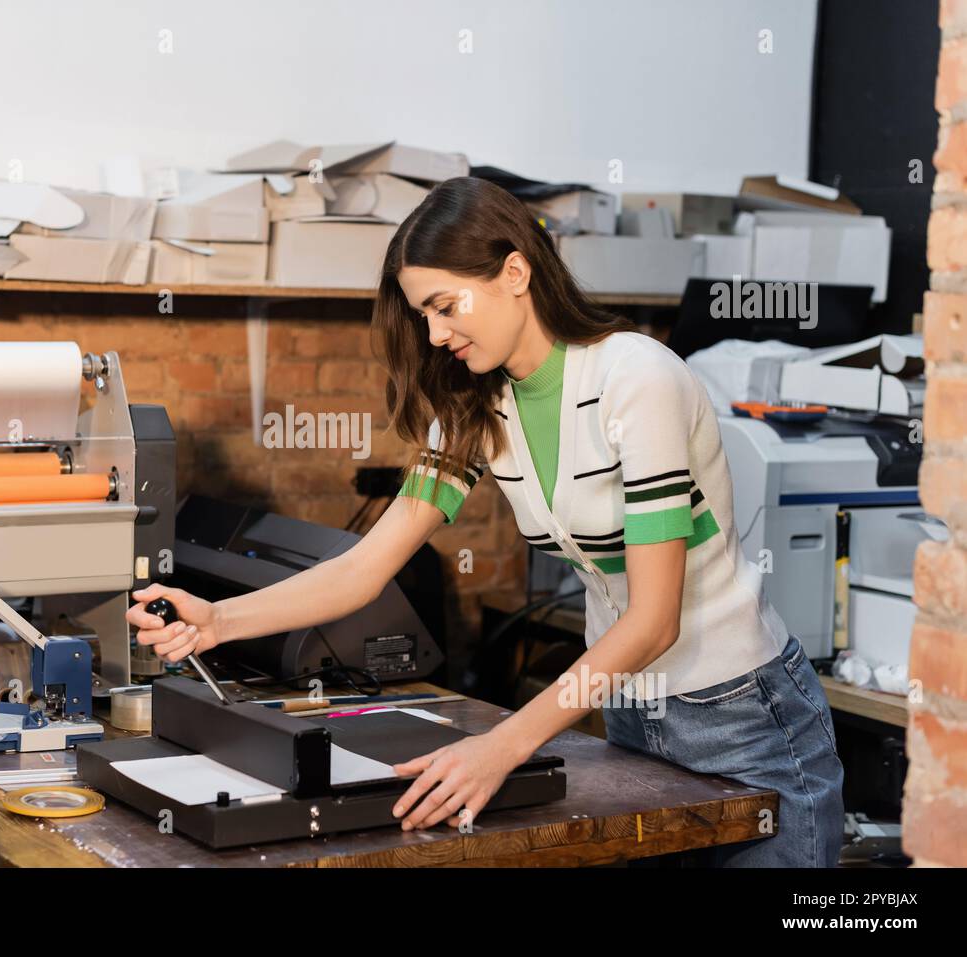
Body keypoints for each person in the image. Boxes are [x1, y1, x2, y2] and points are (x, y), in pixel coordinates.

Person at [126, 176, 844, 867]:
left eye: (445, 306)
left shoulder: (636, 379)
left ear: (514, 272)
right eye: (423, 316)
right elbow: (362, 568)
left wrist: (503, 744)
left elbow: (655, 620)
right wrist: (218, 620)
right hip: (632, 715)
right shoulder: (476, 408)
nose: (435, 335)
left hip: (744, 718)